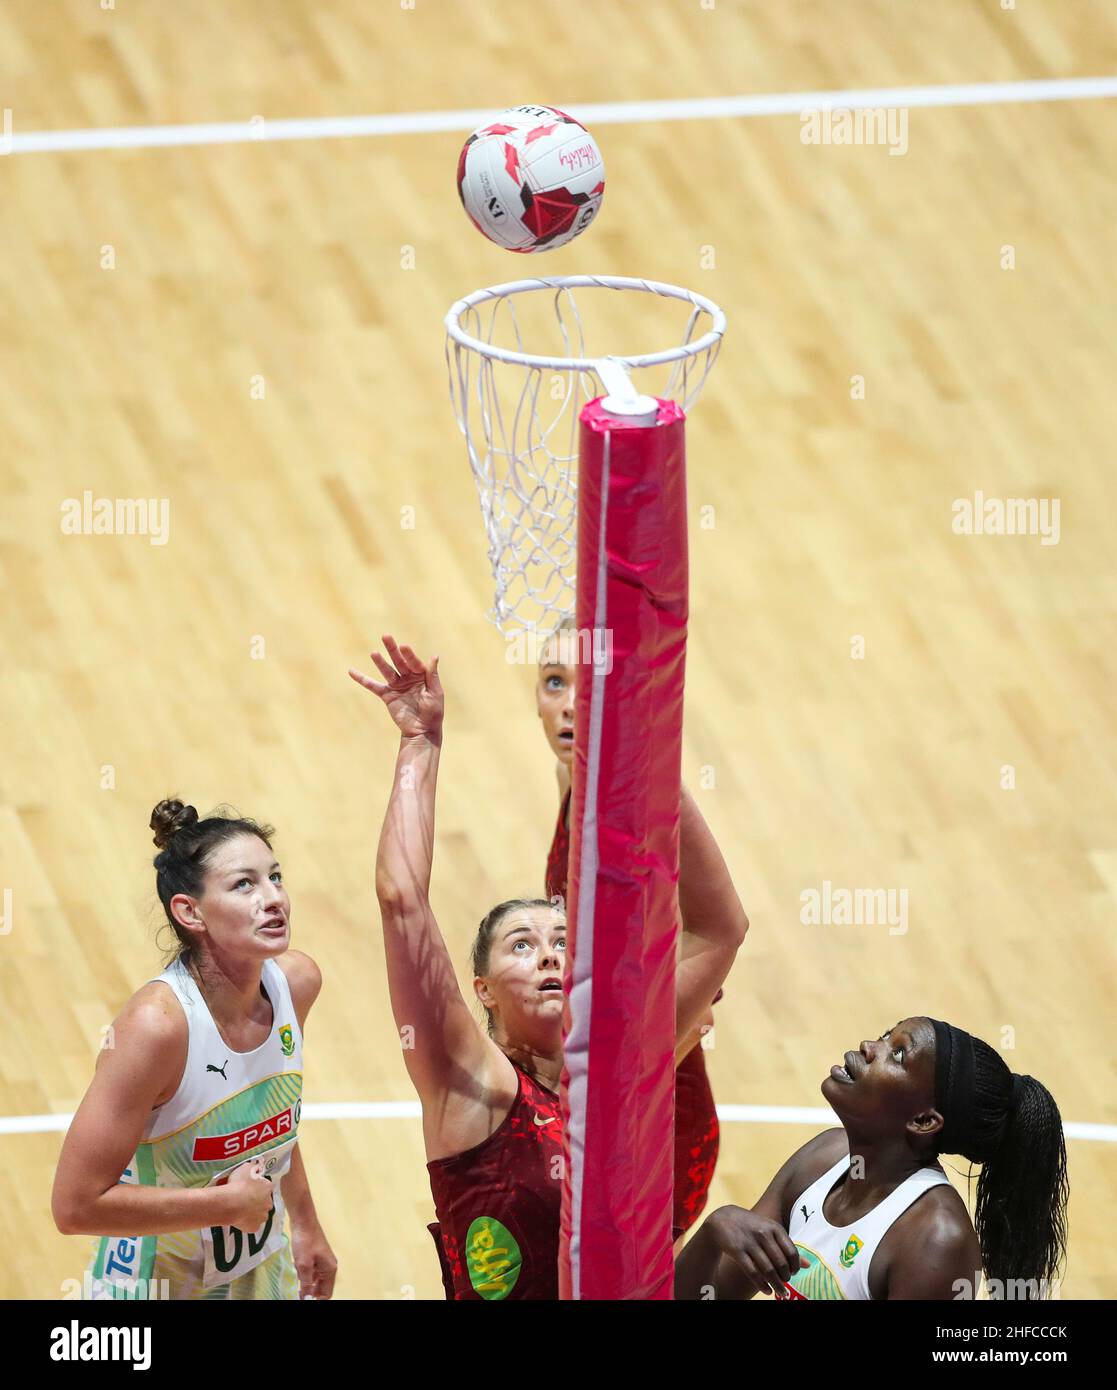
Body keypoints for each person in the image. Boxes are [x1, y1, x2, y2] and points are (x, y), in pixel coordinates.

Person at [352, 634, 748, 1299]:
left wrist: (644, 752)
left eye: (563, 943)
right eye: (520, 945)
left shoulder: (625, 1061)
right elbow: (401, 904)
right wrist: (419, 744)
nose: (547, 957)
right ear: (480, 990)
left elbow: (717, 931)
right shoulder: (470, 1084)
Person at [52, 800, 336, 1301]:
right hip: (152, 1287)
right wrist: (224, 1207)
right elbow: (75, 1206)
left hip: (260, 1277)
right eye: (244, 885)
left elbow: (272, 1130)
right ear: (190, 911)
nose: (273, 899)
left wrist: (306, 1224)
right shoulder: (156, 1027)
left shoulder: (297, 981)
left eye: (275, 876)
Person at [536, 617, 722, 1244]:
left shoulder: (636, 823)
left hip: (654, 1124)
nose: (567, 705)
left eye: (586, 685)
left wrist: (607, 1093)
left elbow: (698, 1008)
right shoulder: (575, 782)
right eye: (553, 681)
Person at [674, 1016, 1068, 1300]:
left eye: (897, 1054)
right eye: (884, 1036)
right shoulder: (822, 1158)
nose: (869, 1046)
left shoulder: (934, 1241)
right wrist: (715, 1231)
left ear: (924, 1120)